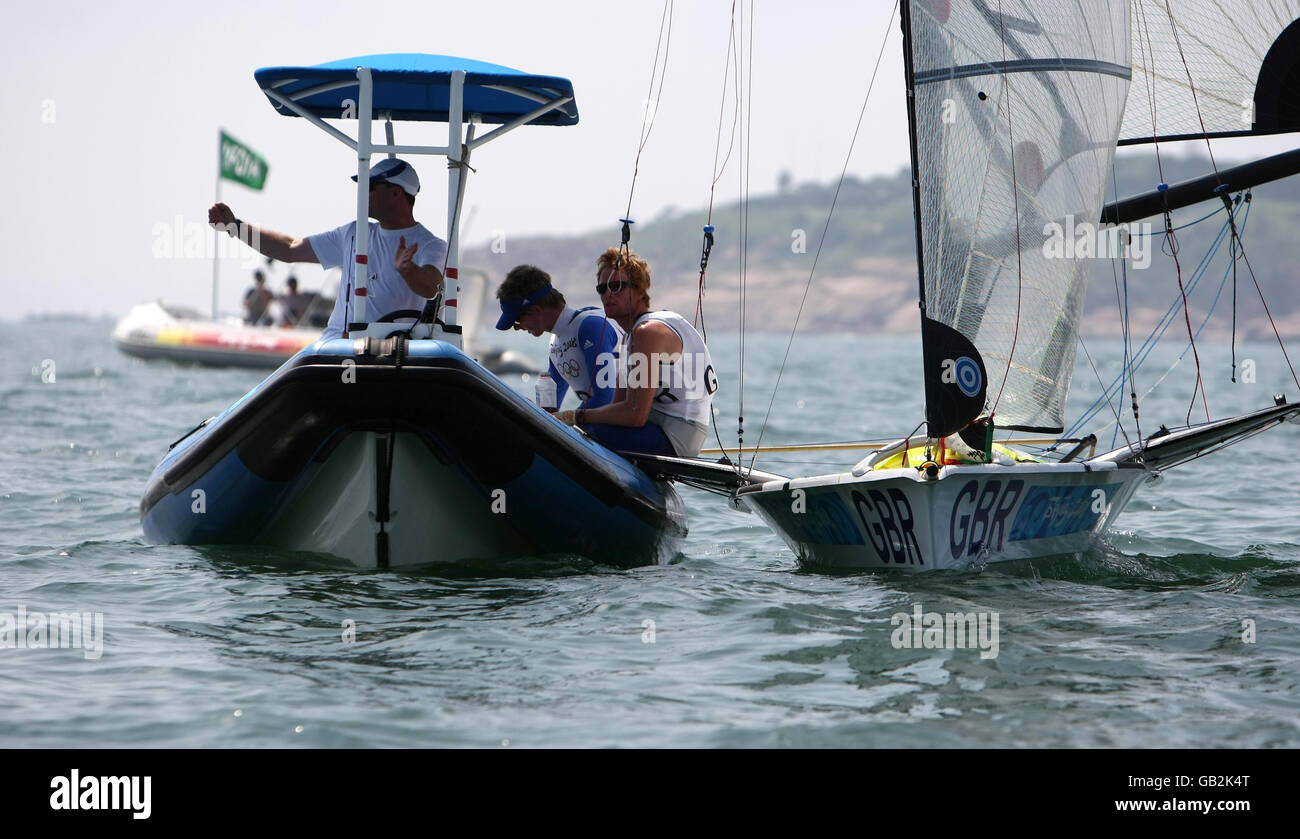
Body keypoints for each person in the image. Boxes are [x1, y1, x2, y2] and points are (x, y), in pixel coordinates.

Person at [208, 157, 446, 339]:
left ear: (396, 192)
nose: (362, 191)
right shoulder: (353, 233)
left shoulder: (430, 245)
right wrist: (235, 227)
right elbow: (290, 250)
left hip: (391, 353)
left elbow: (431, 287)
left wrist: (408, 271)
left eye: (371, 186)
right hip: (336, 347)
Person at [564, 247, 717, 457]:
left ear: (640, 291)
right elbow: (617, 406)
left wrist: (576, 416)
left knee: (587, 432)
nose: (608, 294)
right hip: (659, 427)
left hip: (676, 435)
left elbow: (635, 415)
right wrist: (570, 419)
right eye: (602, 289)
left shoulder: (648, 332)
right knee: (579, 430)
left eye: (616, 286)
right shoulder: (631, 335)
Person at [494, 265, 623, 411]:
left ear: (536, 310)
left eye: (517, 322)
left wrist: (570, 420)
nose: (519, 328)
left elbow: (605, 399)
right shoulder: (556, 343)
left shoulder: (591, 326)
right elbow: (549, 410)